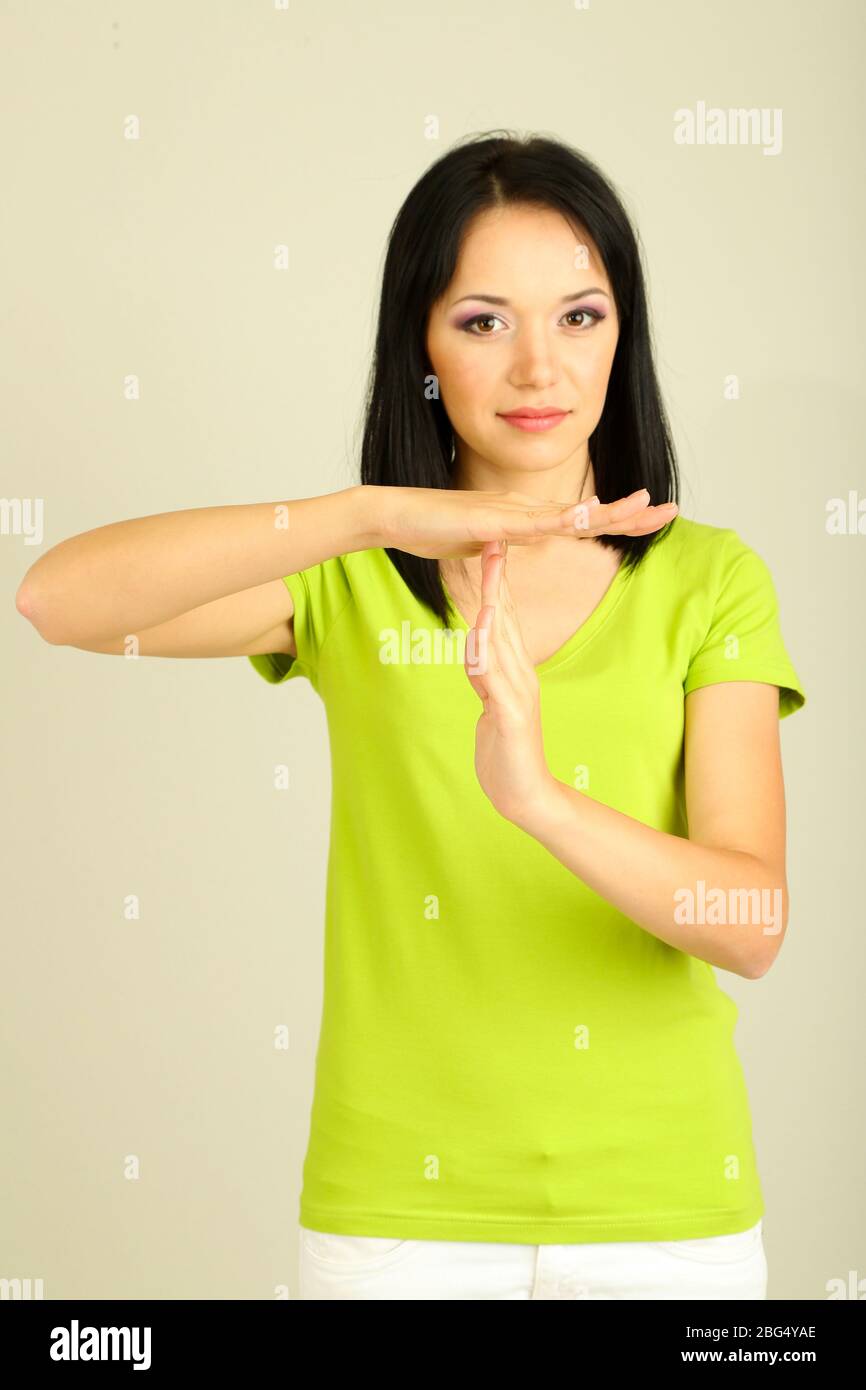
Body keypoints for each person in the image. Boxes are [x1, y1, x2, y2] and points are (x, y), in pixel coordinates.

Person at [16, 132, 805, 1301]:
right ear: (420, 347)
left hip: (666, 1212)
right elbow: (55, 598)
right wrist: (366, 512)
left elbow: (748, 919)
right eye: (483, 321)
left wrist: (537, 801)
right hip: (399, 1217)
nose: (537, 367)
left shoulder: (710, 579)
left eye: (579, 317)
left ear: (620, 334)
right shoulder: (351, 578)